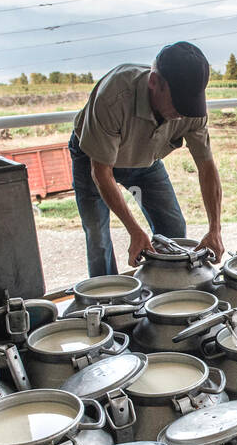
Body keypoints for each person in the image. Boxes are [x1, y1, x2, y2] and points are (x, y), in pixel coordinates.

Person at [68, 42, 225, 276]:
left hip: (145, 160)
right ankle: (107, 302)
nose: (183, 112)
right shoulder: (114, 96)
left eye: (189, 105)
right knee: (98, 236)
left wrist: (215, 228)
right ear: (154, 82)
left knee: (174, 228)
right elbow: (102, 174)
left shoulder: (191, 109)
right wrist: (135, 231)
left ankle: (167, 292)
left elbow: (206, 166)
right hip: (93, 158)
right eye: (178, 103)